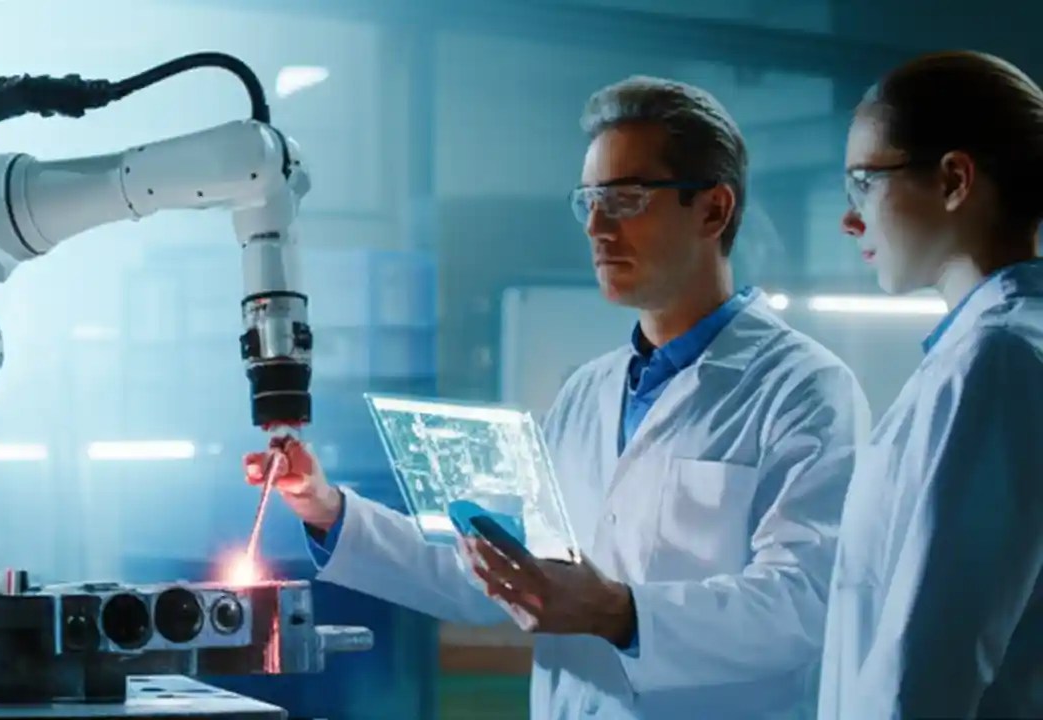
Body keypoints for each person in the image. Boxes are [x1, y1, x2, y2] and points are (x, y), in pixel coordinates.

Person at [248, 76, 869, 719]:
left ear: (712, 210)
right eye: (588, 200)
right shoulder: (588, 393)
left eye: (626, 198)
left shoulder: (803, 390)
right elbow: (491, 576)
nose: (597, 227)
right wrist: (325, 508)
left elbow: (805, 604)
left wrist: (618, 611)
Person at [819, 50, 1043, 719]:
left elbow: (932, 660)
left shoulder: (997, 359)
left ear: (953, 179)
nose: (849, 219)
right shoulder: (997, 348)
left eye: (864, 183)